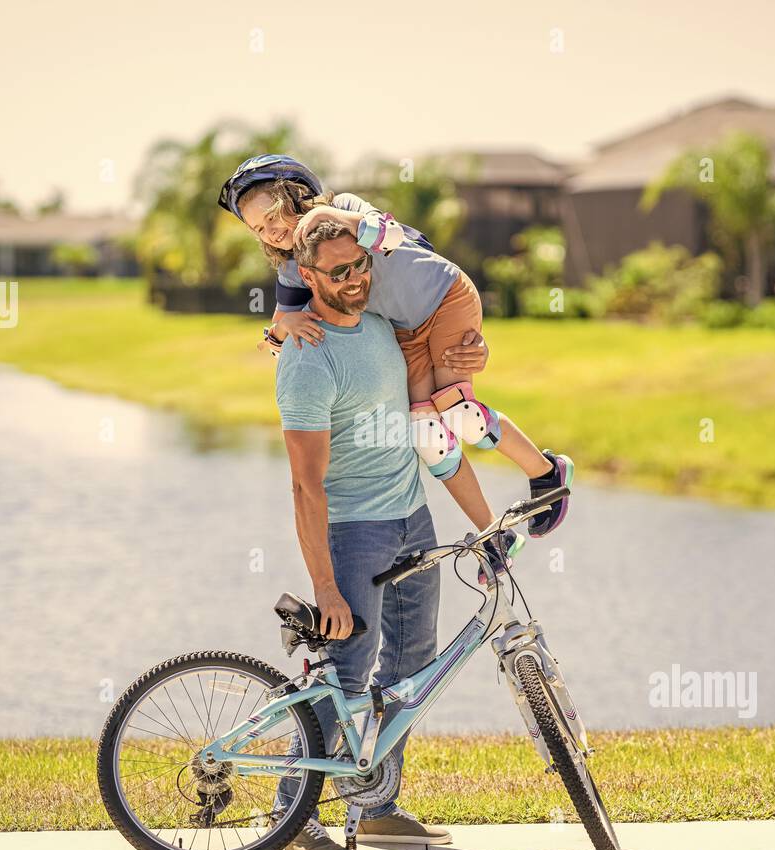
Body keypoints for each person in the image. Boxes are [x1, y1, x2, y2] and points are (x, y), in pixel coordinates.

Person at [220, 155, 572, 583]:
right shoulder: (294, 268)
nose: (272, 231)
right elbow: (276, 334)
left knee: (459, 412)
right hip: (407, 331)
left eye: (272, 216)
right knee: (426, 436)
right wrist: (282, 326)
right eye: (258, 228)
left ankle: (546, 472)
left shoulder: (345, 206)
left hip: (445, 299)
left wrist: (330, 214)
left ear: (298, 193)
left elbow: (388, 237)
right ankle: (493, 537)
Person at [269, 220, 453, 850]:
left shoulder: (379, 327)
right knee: (345, 671)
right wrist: (324, 586)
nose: (354, 281)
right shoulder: (307, 357)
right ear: (308, 277)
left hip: (412, 517)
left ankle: (374, 808)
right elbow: (305, 488)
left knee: (410, 666)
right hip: (354, 532)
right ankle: (292, 818)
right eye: (338, 272)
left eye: (359, 268)